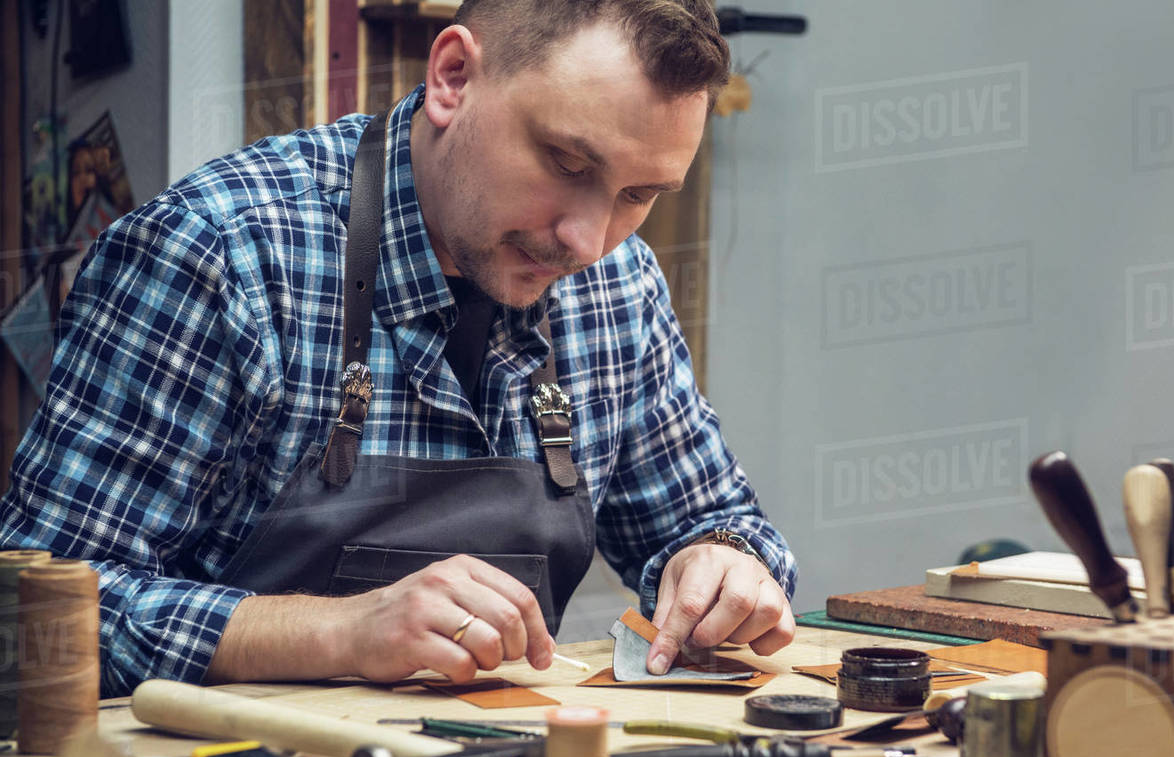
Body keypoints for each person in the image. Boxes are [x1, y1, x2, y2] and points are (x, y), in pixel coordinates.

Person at [0, 0, 798, 698]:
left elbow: (718, 521)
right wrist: (337, 634)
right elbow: (36, 615)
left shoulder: (616, 285)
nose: (587, 241)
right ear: (453, 76)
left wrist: (724, 564)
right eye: (567, 163)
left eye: (639, 195)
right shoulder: (218, 256)